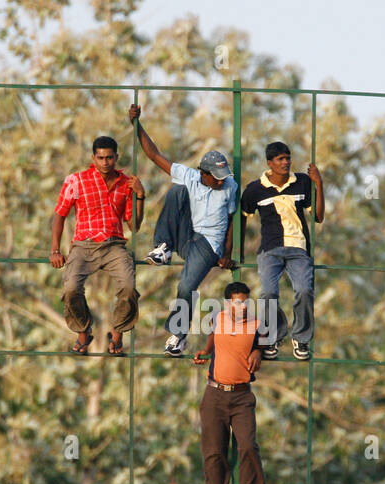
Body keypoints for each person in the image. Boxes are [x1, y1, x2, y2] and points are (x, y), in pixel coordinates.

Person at [129, 103, 238, 358]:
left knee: (187, 286)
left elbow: (233, 220)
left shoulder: (229, 186)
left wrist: (226, 252)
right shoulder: (190, 176)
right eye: (216, 175)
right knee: (177, 190)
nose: (221, 179)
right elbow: (154, 155)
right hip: (186, 233)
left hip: (208, 244)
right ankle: (163, 247)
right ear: (203, 172)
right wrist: (136, 125)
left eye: (223, 175)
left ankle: (178, 335)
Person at [50, 135, 144, 355]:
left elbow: (134, 225)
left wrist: (140, 195)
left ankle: (117, 334)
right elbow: (60, 215)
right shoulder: (76, 180)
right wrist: (55, 250)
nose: (105, 162)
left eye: (109, 157)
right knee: (71, 288)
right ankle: (83, 331)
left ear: (116, 157)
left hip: (114, 246)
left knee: (129, 287)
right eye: (100, 157)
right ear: (93, 157)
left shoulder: (126, 183)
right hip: (84, 245)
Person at [239, 140, 324, 361]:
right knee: (268, 294)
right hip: (270, 249)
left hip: (298, 248)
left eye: (288, 158)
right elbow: (241, 219)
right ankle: (274, 336)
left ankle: (301, 337)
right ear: (270, 163)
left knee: (305, 290)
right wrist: (235, 253)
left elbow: (318, 216)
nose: (285, 162)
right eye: (280, 159)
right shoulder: (255, 189)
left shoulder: (303, 182)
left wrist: (319, 185)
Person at [192, 281, 266, 484]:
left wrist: (258, 351)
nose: (242, 306)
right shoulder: (218, 317)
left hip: (242, 396)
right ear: (227, 303)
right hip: (214, 394)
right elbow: (213, 336)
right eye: (237, 301)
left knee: (248, 447)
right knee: (214, 452)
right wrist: (205, 351)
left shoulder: (256, 323)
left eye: (245, 301)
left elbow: (265, 343)